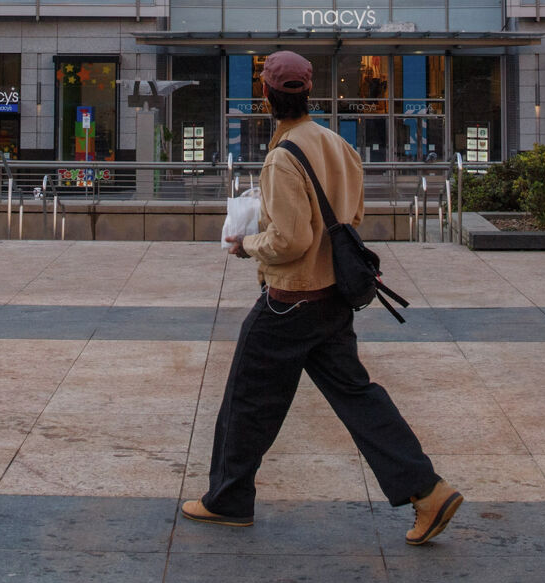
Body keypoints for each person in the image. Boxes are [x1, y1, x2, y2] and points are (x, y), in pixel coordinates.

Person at [183, 50, 463, 545]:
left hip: (289, 301)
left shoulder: (281, 157)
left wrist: (244, 243)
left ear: (266, 95)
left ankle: (227, 500)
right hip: (333, 299)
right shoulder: (339, 145)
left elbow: (289, 241)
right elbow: (349, 221)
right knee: (359, 397)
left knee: (245, 402)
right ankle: (428, 491)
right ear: (309, 92)